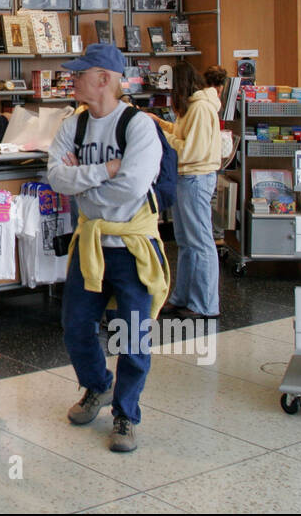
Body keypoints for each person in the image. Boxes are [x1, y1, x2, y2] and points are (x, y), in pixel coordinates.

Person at [46, 43, 169, 454]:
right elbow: (56, 178)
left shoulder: (138, 126)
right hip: (92, 242)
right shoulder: (73, 123)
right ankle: (98, 386)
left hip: (131, 245)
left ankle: (126, 414)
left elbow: (134, 186)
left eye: (79, 73)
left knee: (132, 335)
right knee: (76, 326)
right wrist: (105, 171)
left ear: (104, 78)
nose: (72, 78)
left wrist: (85, 183)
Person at [149, 63, 222, 319]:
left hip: (195, 178)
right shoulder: (192, 106)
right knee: (187, 242)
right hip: (186, 178)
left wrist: (161, 137)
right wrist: (159, 123)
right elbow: (182, 135)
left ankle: (205, 304)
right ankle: (183, 297)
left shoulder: (200, 108)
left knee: (200, 242)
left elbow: (191, 149)